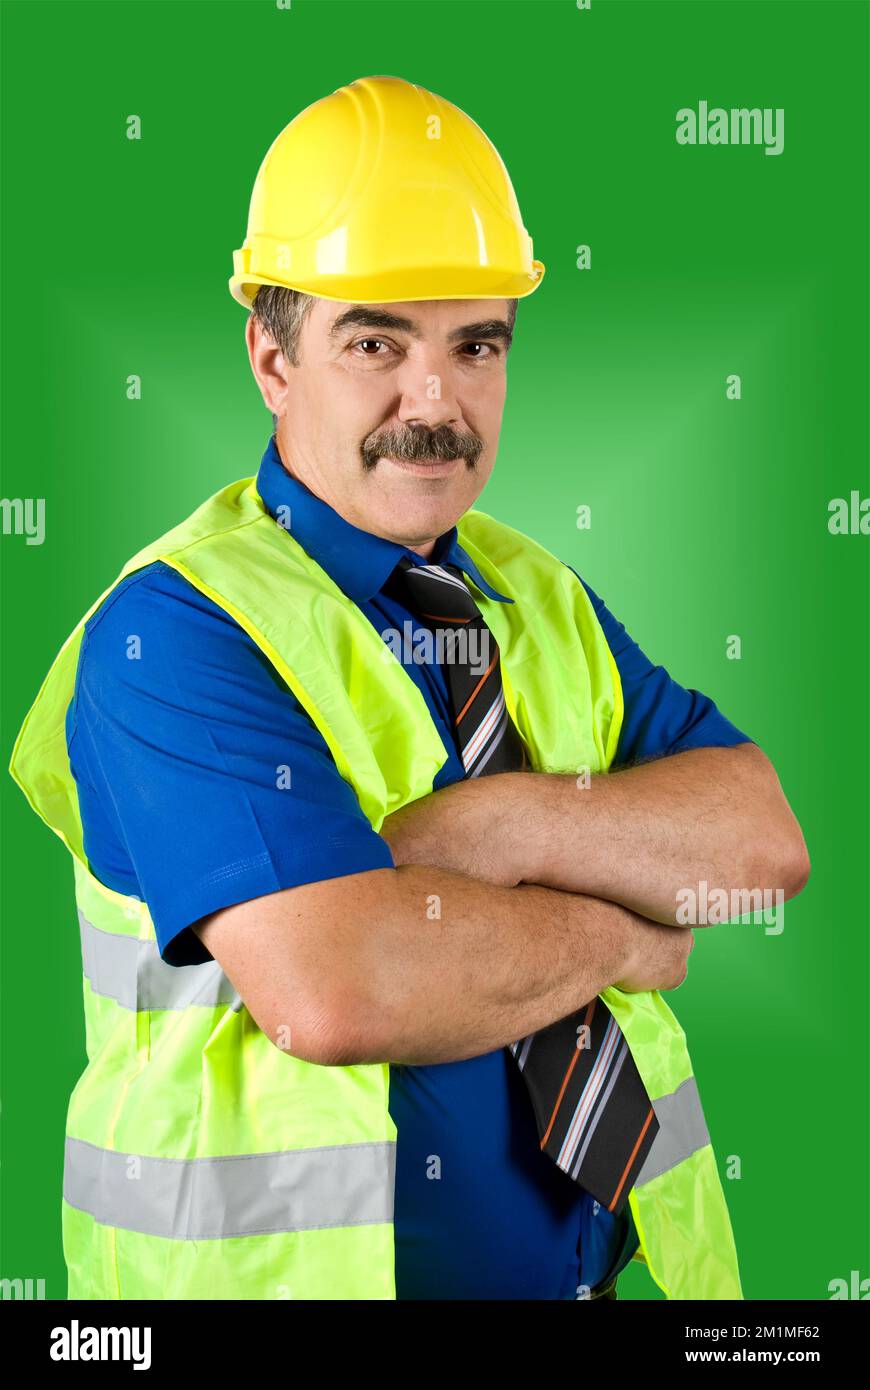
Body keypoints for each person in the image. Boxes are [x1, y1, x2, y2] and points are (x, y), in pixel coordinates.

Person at [9, 75, 809, 1301]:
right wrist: (627, 927)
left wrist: (508, 823)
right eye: (376, 342)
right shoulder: (173, 632)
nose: (434, 405)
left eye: (475, 345)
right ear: (272, 360)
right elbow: (337, 988)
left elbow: (759, 845)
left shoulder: (537, 597)